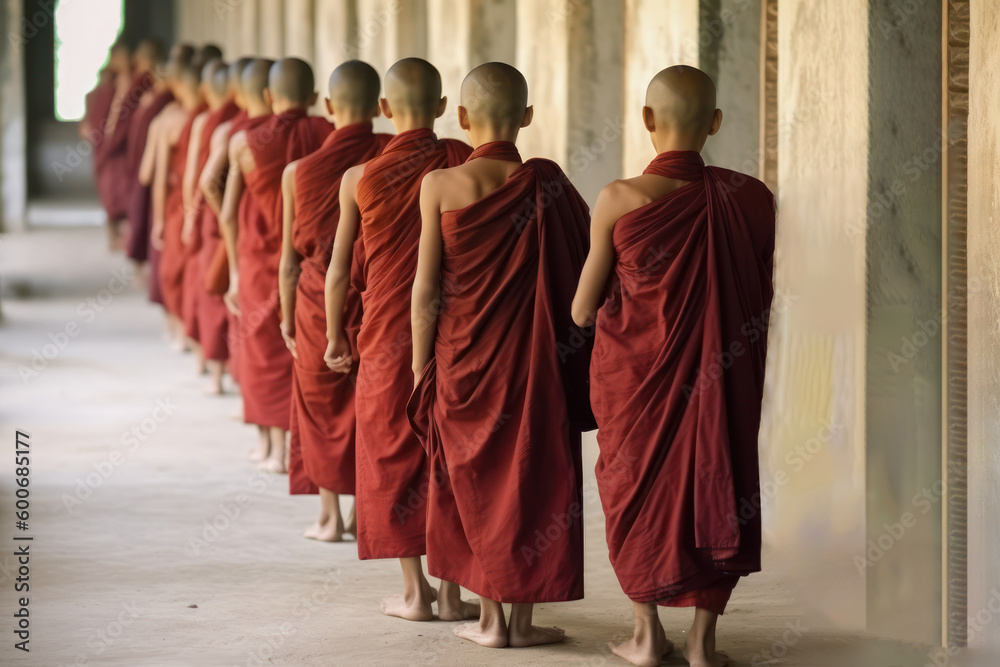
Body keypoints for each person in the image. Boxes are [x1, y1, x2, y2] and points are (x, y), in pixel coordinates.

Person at [571, 65, 776, 667]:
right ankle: (703, 645)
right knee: (721, 476)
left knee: (636, 490)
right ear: (715, 123)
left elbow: (583, 308)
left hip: (635, 383)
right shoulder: (753, 198)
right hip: (726, 375)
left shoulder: (619, 197)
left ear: (646, 120)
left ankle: (646, 635)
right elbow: (749, 291)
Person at [409, 62, 593, 648]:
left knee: (474, 478)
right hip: (536, 361)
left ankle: (488, 621)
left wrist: (420, 367)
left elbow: (424, 292)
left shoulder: (439, 185)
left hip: (463, 361)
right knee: (532, 477)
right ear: (528, 118)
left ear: (461, 119)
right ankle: (523, 622)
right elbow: (586, 271)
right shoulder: (552, 184)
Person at [324, 57, 474, 622]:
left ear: (385, 111)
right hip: (459, 332)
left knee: (391, 451)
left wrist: (335, 334)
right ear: (441, 109)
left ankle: (416, 593)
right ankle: (456, 591)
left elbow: (340, 268)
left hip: (385, 336)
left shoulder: (357, 178)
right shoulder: (461, 162)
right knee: (448, 453)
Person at [279, 61, 391, 541]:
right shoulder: (389, 154)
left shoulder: (297, 172)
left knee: (319, 403)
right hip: (377, 291)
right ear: (379, 106)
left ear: (328, 107)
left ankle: (331, 517)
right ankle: (371, 506)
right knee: (372, 400)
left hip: (312, 295)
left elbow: (288, 258)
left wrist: (286, 318)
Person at [221, 58, 332, 473]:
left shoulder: (246, 142)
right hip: (309, 259)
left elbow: (229, 211)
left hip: (259, 257)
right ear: (315, 97)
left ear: (268, 97)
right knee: (300, 354)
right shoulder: (329, 133)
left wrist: (232, 269)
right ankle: (297, 449)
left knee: (263, 351)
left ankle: (271, 448)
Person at [181, 59, 241, 393]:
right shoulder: (240, 127)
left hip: (217, 221)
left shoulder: (215, 125)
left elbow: (197, 176)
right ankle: (230, 373)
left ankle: (215, 373)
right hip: (247, 224)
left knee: (213, 292)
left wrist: (194, 216)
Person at [150, 62, 206, 351]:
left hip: (179, 208)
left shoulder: (170, 120)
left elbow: (158, 178)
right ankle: (191, 334)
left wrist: (159, 220)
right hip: (202, 208)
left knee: (174, 272)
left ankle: (183, 329)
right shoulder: (211, 119)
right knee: (192, 271)